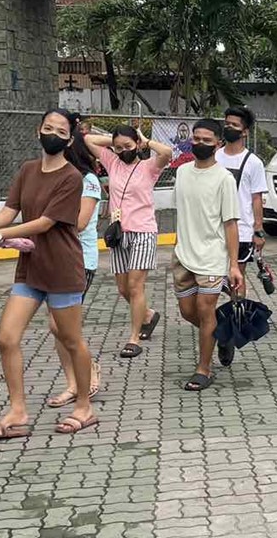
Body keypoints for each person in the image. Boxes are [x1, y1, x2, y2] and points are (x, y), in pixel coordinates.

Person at [0, 109, 98, 438]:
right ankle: (18, 410)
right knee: (6, 337)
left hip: (61, 268)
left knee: (71, 339)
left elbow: (44, 223)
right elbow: (8, 212)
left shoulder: (72, 178)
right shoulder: (27, 170)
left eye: (61, 131)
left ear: (70, 140)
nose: (53, 134)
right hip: (31, 267)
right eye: (48, 128)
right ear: (38, 131)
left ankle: (84, 406)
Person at [83, 124, 173, 359]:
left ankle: (133, 339)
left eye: (128, 146)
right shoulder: (112, 162)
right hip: (118, 232)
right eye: (119, 147)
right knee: (123, 289)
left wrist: (146, 141)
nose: (124, 151)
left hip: (143, 231)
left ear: (137, 145)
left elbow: (167, 153)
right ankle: (148, 315)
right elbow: (88, 140)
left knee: (135, 286)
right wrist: (113, 141)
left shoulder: (148, 166)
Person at [171, 119, 244, 391]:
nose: (199, 143)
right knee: (188, 311)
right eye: (196, 139)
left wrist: (234, 265)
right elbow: (182, 212)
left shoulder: (224, 179)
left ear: (218, 143)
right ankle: (221, 334)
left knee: (205, 309)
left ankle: (204, 368)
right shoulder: (182, 172)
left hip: (212, 256)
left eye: (206, 140)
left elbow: (231, 223)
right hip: (183, 254)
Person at [46, 131, 105, 409]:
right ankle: (72, 383)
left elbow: (80, 222)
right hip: (53, 258)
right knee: (55, 324)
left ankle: (88, 368)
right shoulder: (53, 178)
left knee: (62, 324)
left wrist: (46, 221)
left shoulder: (88, 181)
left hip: (80, 260)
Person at [213, 106, 269, 366]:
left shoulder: (253, 162)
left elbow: (256, 198)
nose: (229, 128)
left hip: (243, 229)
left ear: (245, 131)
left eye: (234, 125)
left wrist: (258, 229)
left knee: (237, 277)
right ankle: (215, 320)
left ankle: (232, 328)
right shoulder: (214, 156)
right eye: (226, 123)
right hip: (213, 228)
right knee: (213, 277)